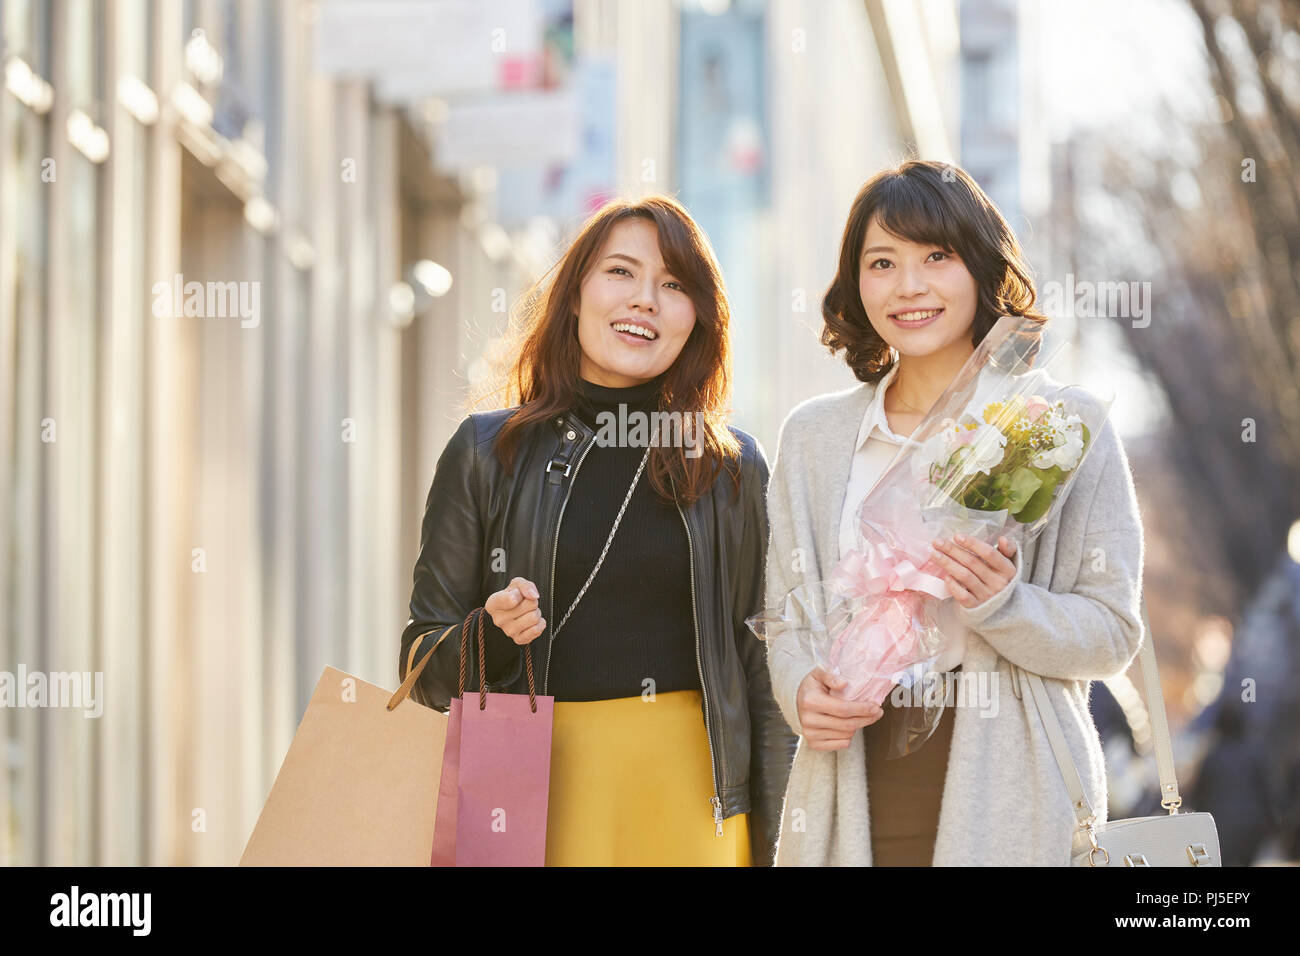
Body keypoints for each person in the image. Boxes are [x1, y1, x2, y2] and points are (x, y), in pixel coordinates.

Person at [764, 160, 1144, 865]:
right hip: (853, 780)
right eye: (883, 262)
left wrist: (1004, 604)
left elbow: (1113, 631)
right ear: (856, 284)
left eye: (936, 256)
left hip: (1016, 786)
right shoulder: (813, 439)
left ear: (979, 266)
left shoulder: (1052, 426)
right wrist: (801, 690)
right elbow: (788, 620)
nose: (909, 286)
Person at [400, 194, 797, 866]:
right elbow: (420, 666)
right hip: (531, 797)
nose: (645, 299)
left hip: (692, 804)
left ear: (698, 318)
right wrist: (490, 636)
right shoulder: (486, 453)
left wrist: (785, 845)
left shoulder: (734, 468)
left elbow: (765, 675)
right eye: (621, 272)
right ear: (576, 294)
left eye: (674, 285)